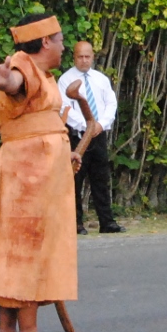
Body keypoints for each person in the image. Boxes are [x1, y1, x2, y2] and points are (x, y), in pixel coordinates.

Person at [0, 13, 79, 332]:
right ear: (45, 41)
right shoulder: (22, 65)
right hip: (27, 176)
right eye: (60, 40)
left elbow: (35, 116)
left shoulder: (45, 74)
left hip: (32, 171)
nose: (64, 46)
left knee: (13, 251)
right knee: (27, 251)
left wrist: (63, 152)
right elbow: (17, 83)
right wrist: (7, 82)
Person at [57, 41, 123, 234]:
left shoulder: (101, 79)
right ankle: (76, 223)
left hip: (99, 136)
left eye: (87, 56)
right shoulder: (65, 80)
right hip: (77, 137)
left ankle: (107, 222)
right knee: (74, 180)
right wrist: (86, 126)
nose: (84, 60)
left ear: (93, 56)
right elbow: (64, 108)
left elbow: (111, 104)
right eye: (80, 57)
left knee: (101, 179)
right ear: (74, 57)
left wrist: (100, 124)